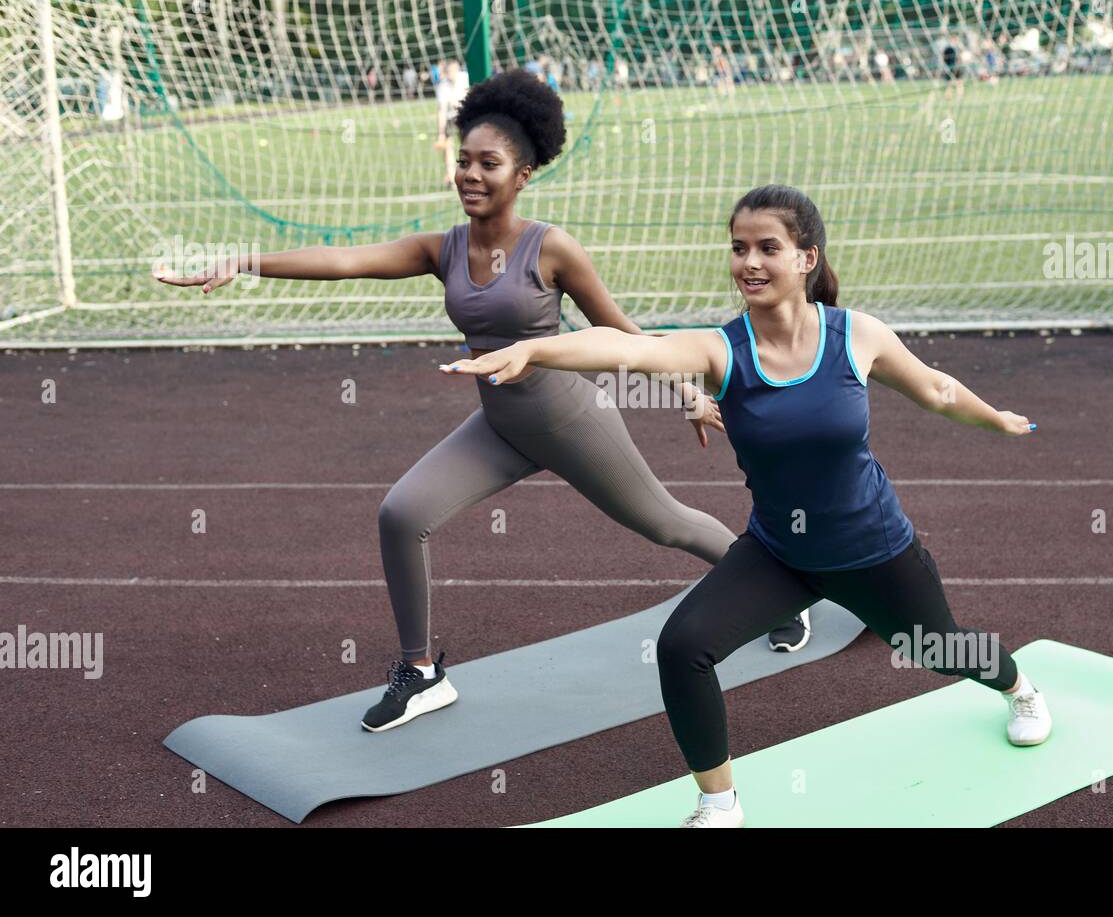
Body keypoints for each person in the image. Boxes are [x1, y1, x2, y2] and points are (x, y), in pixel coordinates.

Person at [152, 70, 812, 736]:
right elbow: (344, 260)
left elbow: (620, 333)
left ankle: (776, 591)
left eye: (488, 163)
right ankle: (421, 674)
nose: (470, 173)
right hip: (500, 425)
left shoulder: (550, 248)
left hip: (569, 419)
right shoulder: (442, 248)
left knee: (665, 523)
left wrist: (686, 392)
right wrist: (241, 261)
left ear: (522, 174)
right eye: (463, 160)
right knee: (402, 512)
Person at [442, 184, 1052, 827]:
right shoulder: (720, 350)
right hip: (779, 553)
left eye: (768, 248)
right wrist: (534, 350)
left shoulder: (855, 337)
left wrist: (999, 420)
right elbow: (631, 350)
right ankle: (719, 803)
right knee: (683, 647)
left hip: (873, 551)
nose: (749, 263)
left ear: (806, 258)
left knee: (942, 648)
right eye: (739, 249)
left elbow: (936, 389)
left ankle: (1021, 689)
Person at [435, 61, 471, 186]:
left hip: (465, 113)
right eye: (449, 71)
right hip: (450, 116)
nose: (451, 74)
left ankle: (469, 172)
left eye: (453, 71)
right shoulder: (443, 86)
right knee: (447, 145)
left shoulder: (465, 79)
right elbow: (441, 111)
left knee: (468, 144)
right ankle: (451, 176)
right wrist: (441, 133)